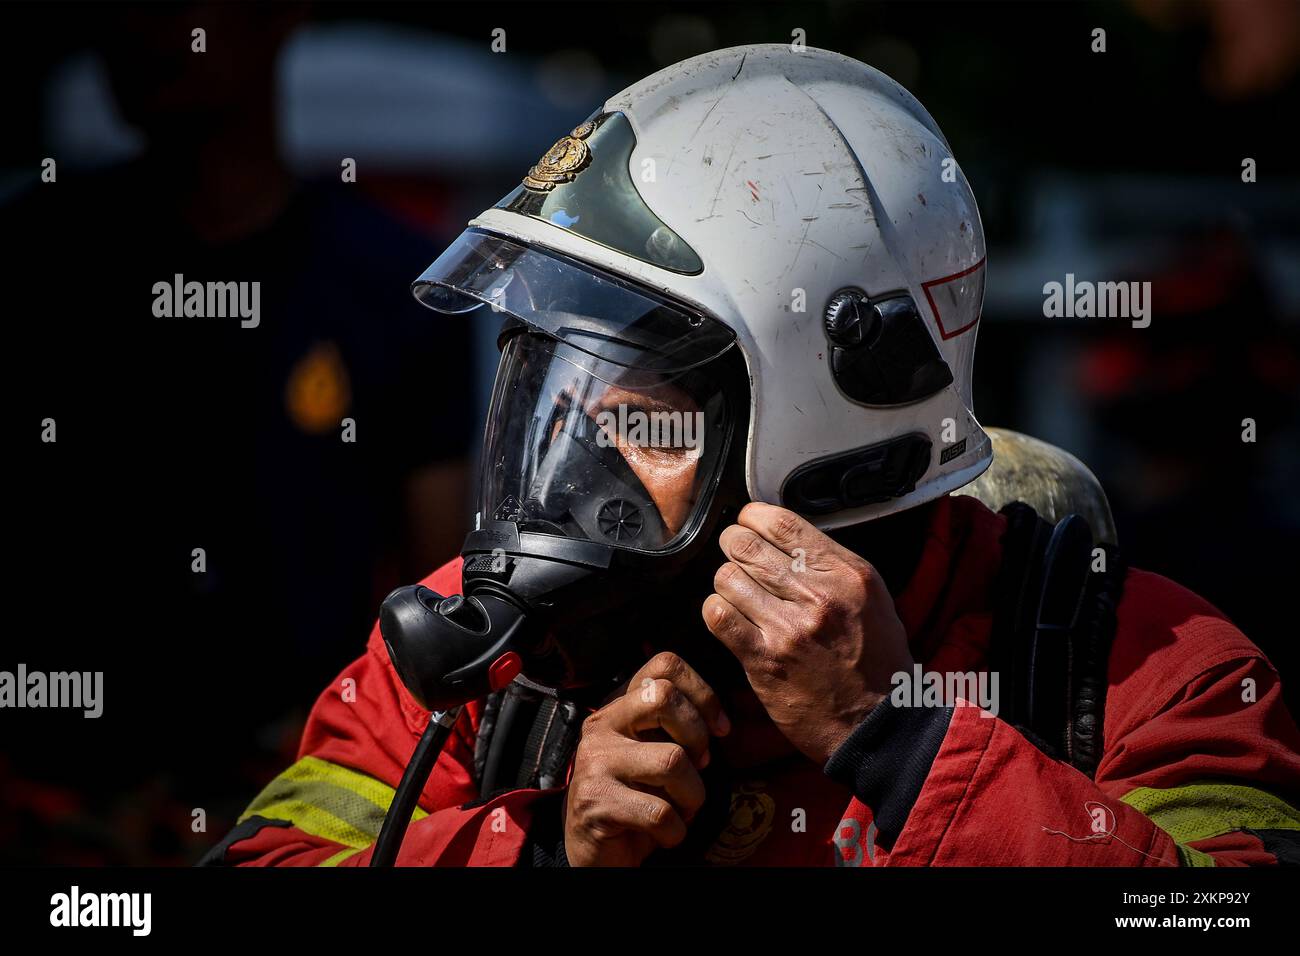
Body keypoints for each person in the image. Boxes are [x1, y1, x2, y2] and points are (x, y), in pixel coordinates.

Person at [203, 45, 1300, 868]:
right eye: (559, 402)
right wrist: (538, 850)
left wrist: (903, 742)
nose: (582, 468)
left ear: (829, 439)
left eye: (645, 422)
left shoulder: (1151, 666)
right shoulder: (480, 666)